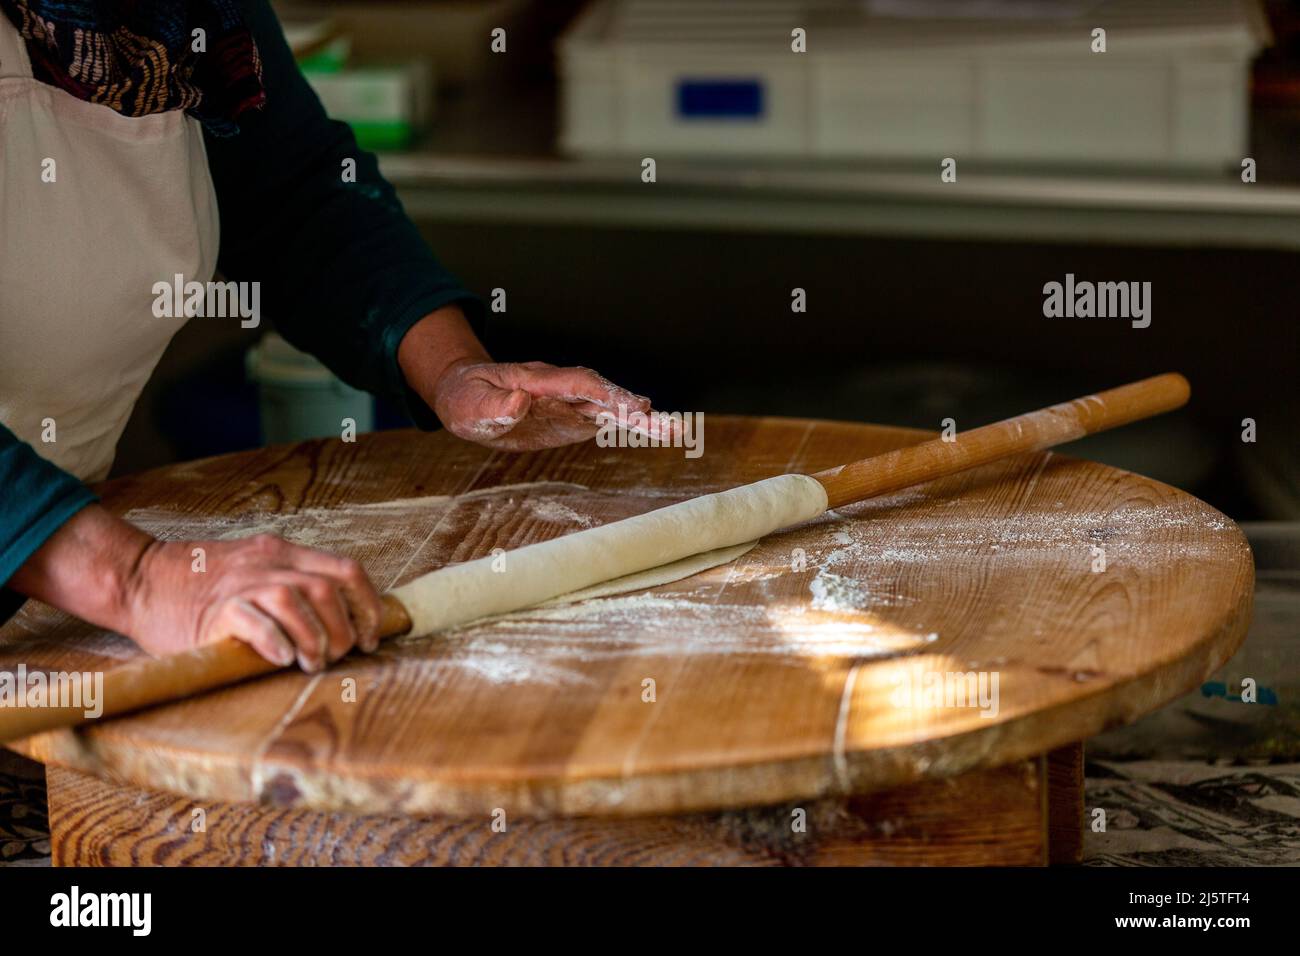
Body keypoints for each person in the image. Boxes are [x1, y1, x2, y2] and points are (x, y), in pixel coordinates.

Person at [0, 0, 657, 672]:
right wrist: (137, 581)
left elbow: (293, 195)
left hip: (43, 589)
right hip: (57, 565)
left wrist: (453, 370)